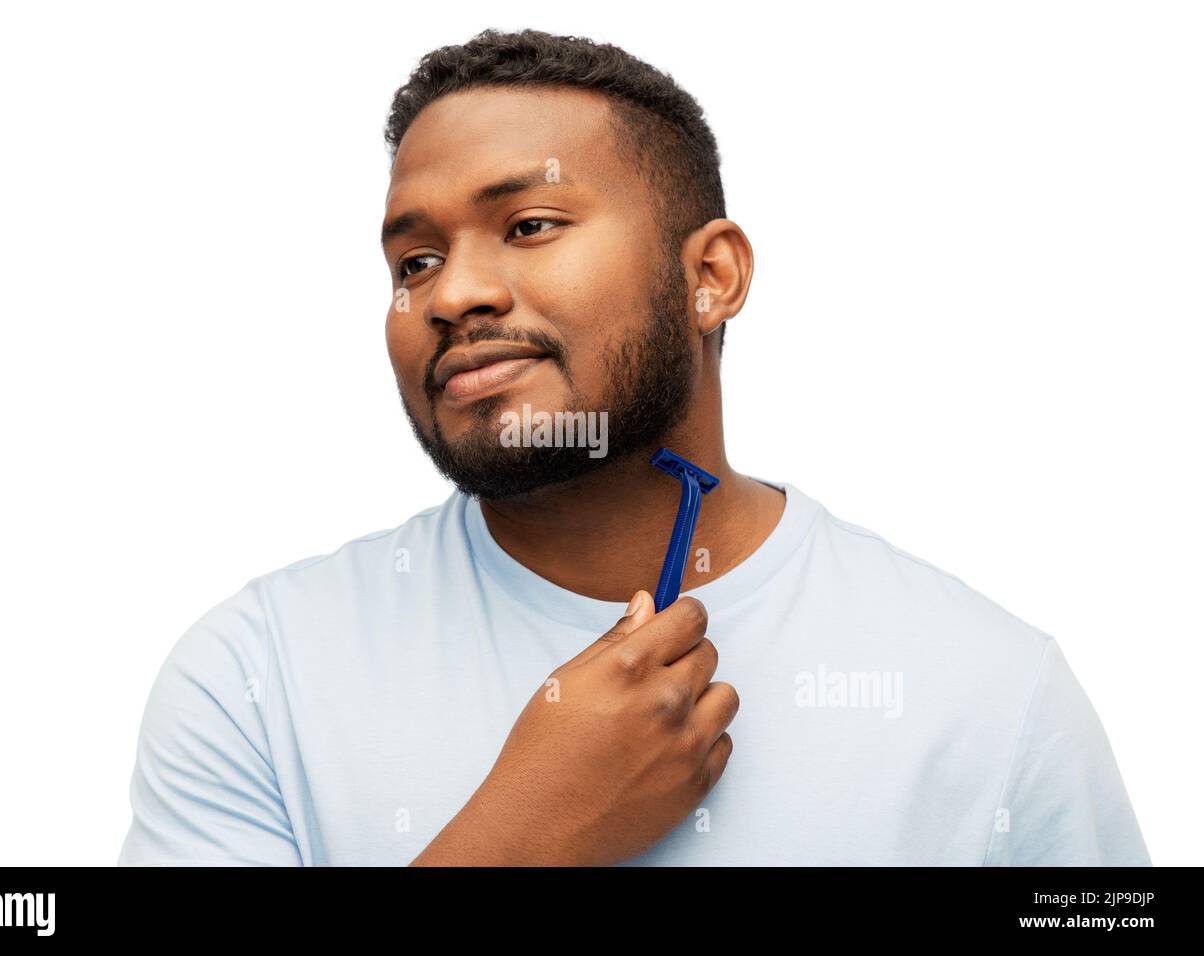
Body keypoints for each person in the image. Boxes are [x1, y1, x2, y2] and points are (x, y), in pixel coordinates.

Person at [118, 28, 1150, 866]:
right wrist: (524, 835)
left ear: (712, 276)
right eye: (415, 258)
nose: (451, 293)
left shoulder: (988, 692)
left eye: (527, 224)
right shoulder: (256, 678)